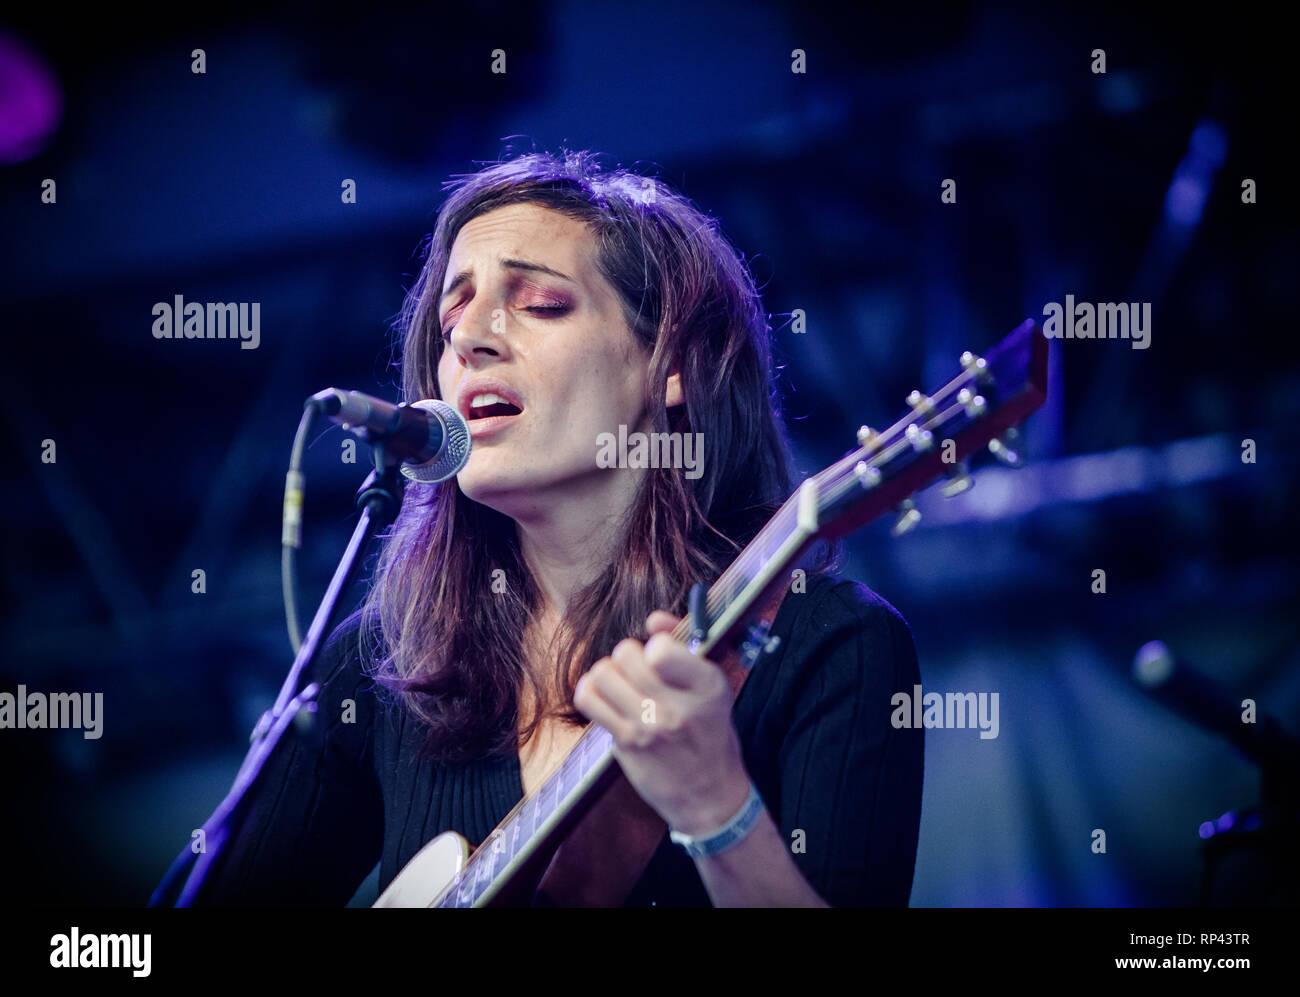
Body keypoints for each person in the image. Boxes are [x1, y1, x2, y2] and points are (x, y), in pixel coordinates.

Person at [198, 150, 923, 907]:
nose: (470, 338)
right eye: (452, 320)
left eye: (540, 303)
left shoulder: (829, 644)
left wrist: (716, 809)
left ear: (670, 365)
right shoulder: (380, 667)